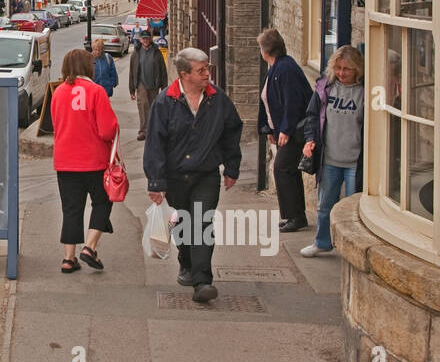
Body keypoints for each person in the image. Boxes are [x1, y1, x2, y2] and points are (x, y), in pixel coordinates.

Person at [144, 47, 243, 303]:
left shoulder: (217, 98)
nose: (207, 74)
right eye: (202, 71)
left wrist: (231, 167)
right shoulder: (166, 101)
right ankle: (185, 260)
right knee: (181, 223)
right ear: (184, 74)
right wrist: (156, 181)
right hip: (175, 176)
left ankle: (202, 281)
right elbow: (155, 143)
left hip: (205, 174)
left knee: (202, 223)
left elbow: (233, 129)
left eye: (207, 68)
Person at [50, 47, 120, 274]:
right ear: (87, 67)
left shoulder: (58, 92)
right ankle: (90, 247)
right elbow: (107, 130)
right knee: (102, 202)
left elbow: (54, 124)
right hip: (94, 160)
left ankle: (68, 258)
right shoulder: (96, 91)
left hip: (65, 160)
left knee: (71, 209)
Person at [299, 45, 365, 257]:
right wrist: (310, 140)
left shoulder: (365, 92)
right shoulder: (325, 88)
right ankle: (322, 242)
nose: (341, 73)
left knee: (355, 210)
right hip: (329, 159)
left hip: (356, 161)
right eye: (338, 68)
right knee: (325, 205)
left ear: (357, 69)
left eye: (347, 69)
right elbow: (311, 117)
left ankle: (354, 248)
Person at [257, 28, 313, 232]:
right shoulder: (276, 67)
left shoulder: (285, 69)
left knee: (281, 168)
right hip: (282, 130)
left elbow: (292, 103)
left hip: (295, 132)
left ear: (265, 50)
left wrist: (286, 130)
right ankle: (296, 215)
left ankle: (294, 216)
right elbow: (268, 101)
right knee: (288, 170)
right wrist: (270, 128)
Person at [128, 31, 168, 141]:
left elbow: (163, 70)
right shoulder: (136, 53)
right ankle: (143, 131)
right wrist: (131, 89)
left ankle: (153, 131)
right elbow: (132, 72)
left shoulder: (157, 52)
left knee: (153, 108)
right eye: (143, 39)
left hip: (154, 85)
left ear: (150, 39)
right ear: (140, 40)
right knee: (143, 106)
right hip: (141, 84)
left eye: (147, 38)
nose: (145, 40)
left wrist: (164, 87)